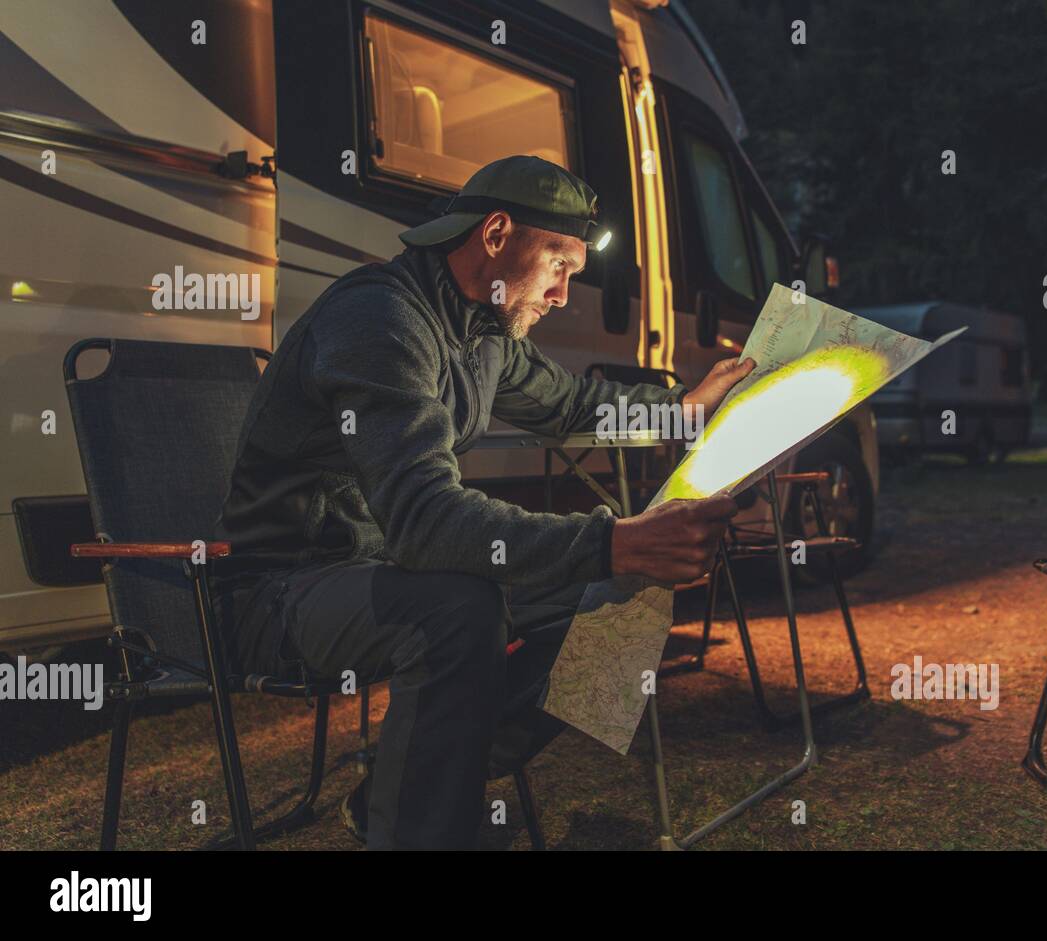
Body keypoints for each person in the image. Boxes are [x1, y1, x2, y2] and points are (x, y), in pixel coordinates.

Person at [210, 155, 753, 849]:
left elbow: (574, 407)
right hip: (278, 588)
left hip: (380, 574)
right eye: (558, 264)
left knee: (621, 604)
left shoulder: (484, 329)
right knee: (458, 610)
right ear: (497, 234)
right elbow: (424, 522)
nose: (561, 294)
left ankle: (400, 796)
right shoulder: (379, 320)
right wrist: (615, 537)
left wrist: (681, 410)